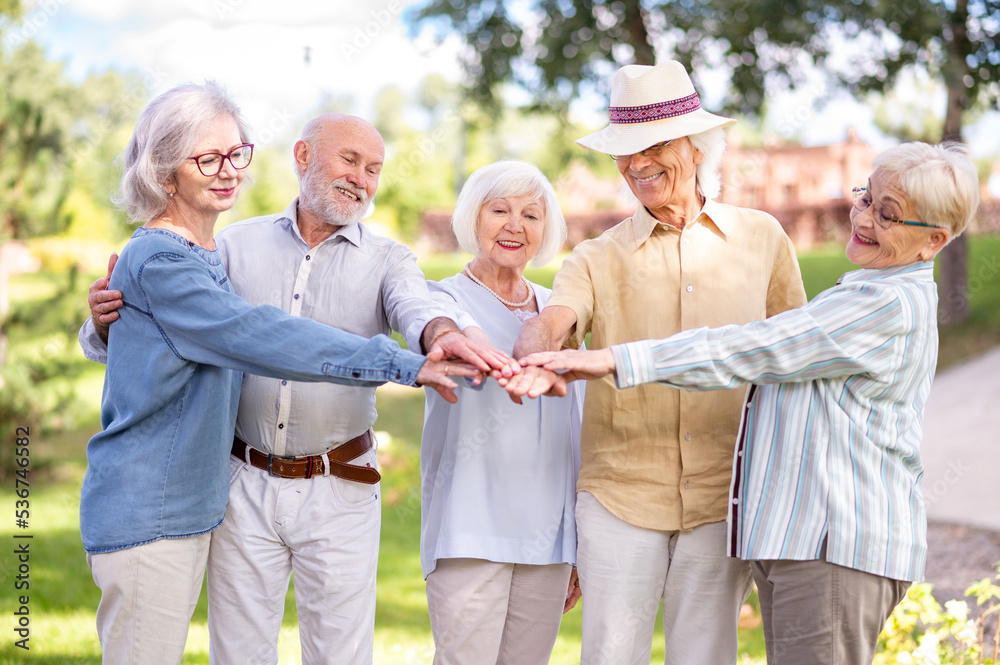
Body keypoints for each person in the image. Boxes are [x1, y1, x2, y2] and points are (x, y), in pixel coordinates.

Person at [520, 141, 980, 665]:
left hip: (834, 547)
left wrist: (612, 362)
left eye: (889, 214)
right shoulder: (862, 292)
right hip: (803, 547)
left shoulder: (882, 305)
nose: (865, 217)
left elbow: (756, 348)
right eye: (866, 198)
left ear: (934, 242)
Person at [81, 105, 512, 663]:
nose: (363, 177)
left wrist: (437, 333)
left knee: (339, 655)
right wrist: (101, 321)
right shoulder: (229, 244)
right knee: (237, 654)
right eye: (350, 159)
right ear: (303, 157)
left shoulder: (389, 258)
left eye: (375, 168)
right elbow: (244, 332)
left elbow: (417, 303)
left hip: (342, 485)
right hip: (240, 485)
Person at [504, 61, 808, 665]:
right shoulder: (595, 256)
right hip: (621, 493)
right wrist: (533, 350)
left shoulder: (762, 237)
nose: (636, 163)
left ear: (698, 149)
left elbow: (796, 355)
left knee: (705, 655)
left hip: (725, 493)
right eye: (624, 151)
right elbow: (555, 320)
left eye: (654, 146)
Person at [419, 161, 584, 665]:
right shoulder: (443, 299)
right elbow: (445, 338)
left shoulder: (560, 309)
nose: (515, 225)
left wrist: (576, 543)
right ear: (475, 217)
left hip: (549, 536)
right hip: (470, 526)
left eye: (531, 215)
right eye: (500, 210)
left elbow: (578, 422)